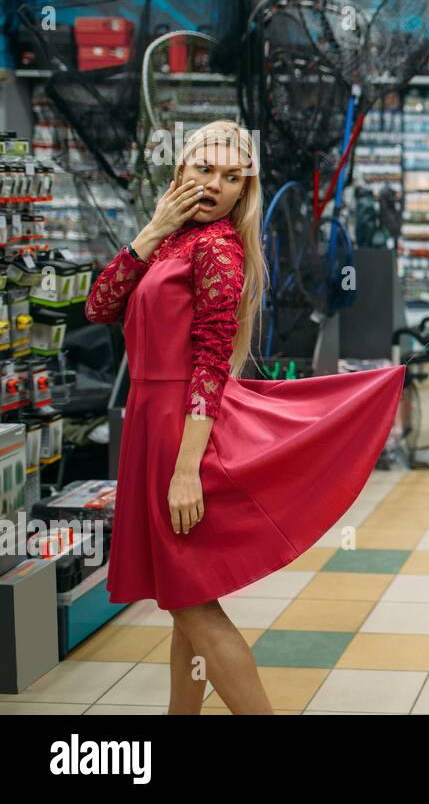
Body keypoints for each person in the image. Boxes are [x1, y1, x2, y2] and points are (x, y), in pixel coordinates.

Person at [84, 120, 406, 714]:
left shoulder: (217, 250)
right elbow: (100, 304)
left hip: (182, 432)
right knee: (187, 603)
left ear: (243, 192)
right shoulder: (175, 239)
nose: (216, 185)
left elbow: (209, 363)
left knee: (193, 607)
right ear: (180, 171)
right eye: (205, 169)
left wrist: (186, 471)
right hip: (155, 425)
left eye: (233, 178)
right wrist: (153, 230)